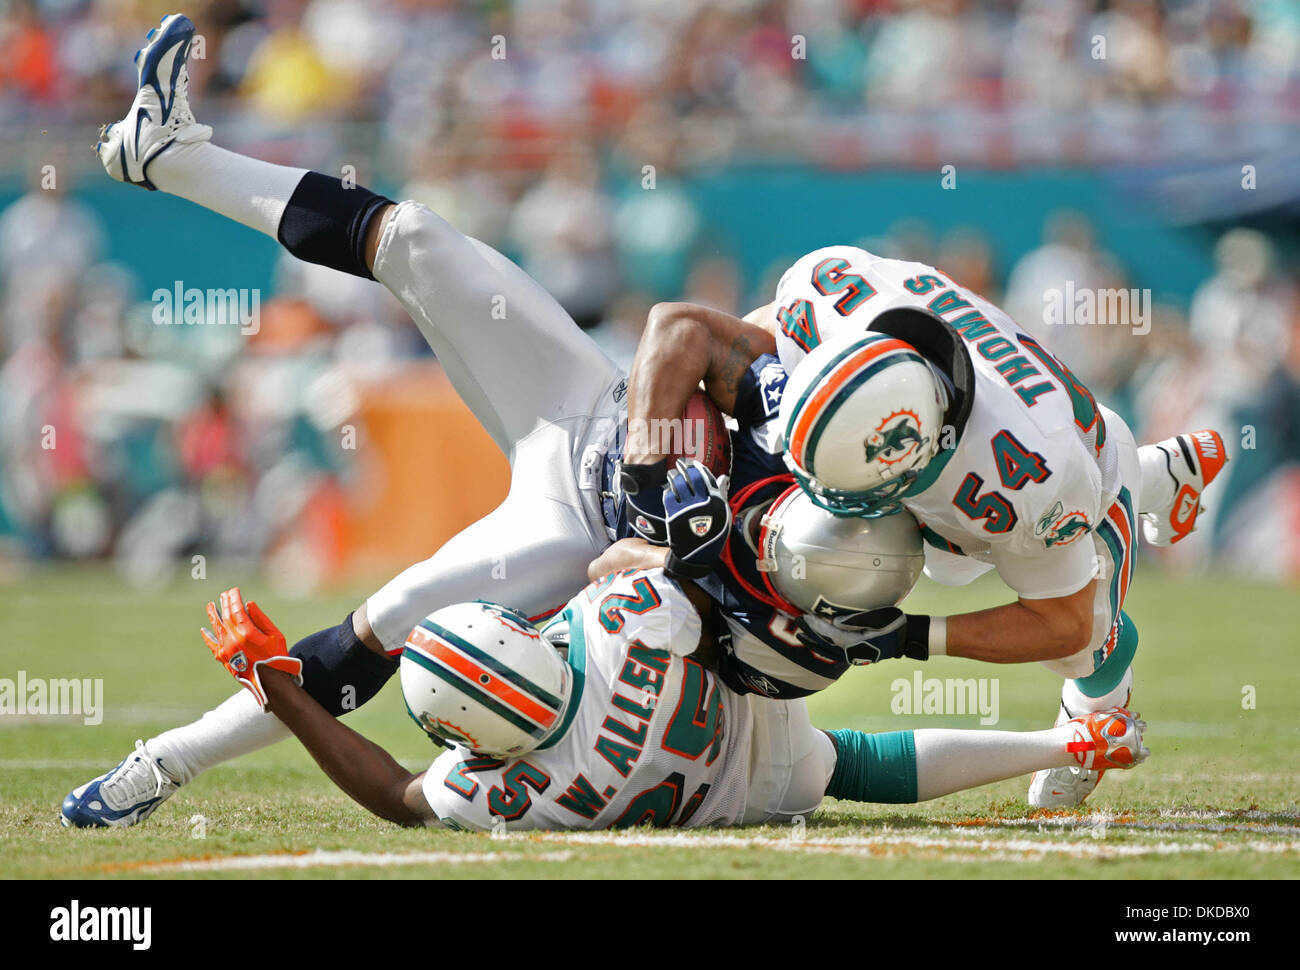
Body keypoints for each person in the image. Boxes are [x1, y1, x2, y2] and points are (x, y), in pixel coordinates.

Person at [616, 246, 1226, 808]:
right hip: (963, 433)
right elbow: (684, 329)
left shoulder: (1026, 481)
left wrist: (907, 636)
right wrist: (646, 482)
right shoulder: (832, 297)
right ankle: (1161, 472)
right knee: (935, 562)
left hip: (1068, 460)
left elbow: (1059, 624)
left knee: (1084, 644)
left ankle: (1129, 493)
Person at [192, 580, 1147, 831]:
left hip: (762, 788)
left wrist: (286, 692)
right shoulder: (614, 623)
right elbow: (680, 578)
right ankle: (1056, 700)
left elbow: (393, 791)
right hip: (758, 690)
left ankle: (1058, 743)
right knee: (780, 588)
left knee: (844, 765)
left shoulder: (519, 800)